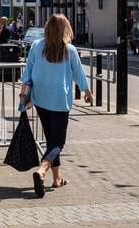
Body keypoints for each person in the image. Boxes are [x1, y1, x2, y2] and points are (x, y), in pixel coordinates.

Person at [18, 14, 92, 199]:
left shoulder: (36, 46)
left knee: (52, 139)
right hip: (59, 99)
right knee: (58, 142)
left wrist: (24, 94)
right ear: (65, 29)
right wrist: (87, 91)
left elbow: (28, 71)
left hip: (40, 97)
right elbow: (79, 74)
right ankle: (42, 170)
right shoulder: (70, 50)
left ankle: (57, 178)